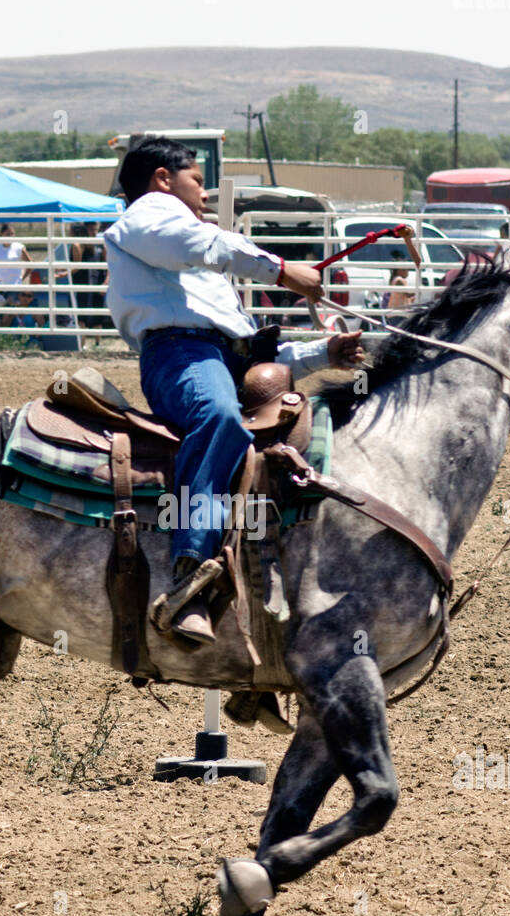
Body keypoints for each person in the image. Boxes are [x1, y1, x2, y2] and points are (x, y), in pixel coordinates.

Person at [104, 136, 363, 644]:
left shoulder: (190, 247)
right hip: (180, 355)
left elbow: (252, 355)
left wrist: (321, 354)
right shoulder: (150, 216)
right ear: (162, 178)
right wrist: (282, 270)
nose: (204, 190)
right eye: (197, 180)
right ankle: (189, 570)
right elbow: (197, 245)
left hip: (214, 356)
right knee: (218, 417)